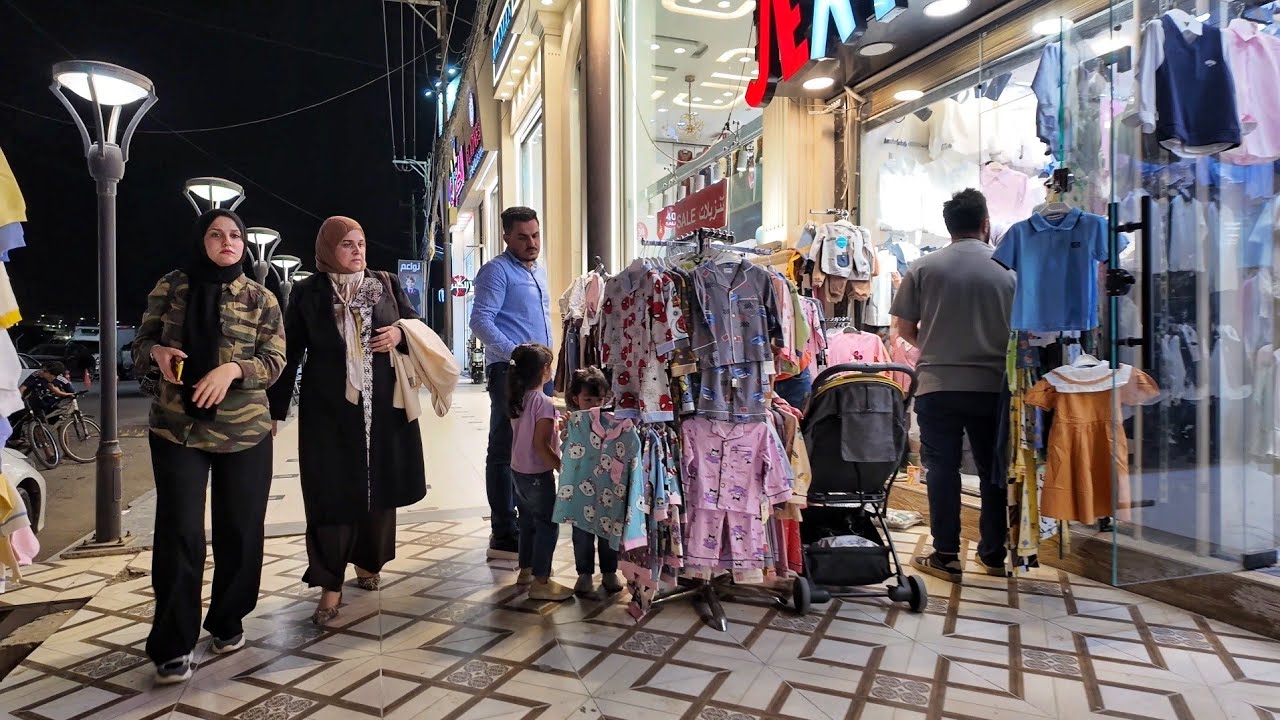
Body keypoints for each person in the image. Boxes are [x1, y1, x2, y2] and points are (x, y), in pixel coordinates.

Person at [133, 209, 285, 684]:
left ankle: (227, 618)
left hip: (245, 431)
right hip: (177, 428)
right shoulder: (172, 286)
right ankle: (173, 643)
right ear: (202, 240)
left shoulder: (260, 297)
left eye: (235, 234)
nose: (227, 241)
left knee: (240, 529)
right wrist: (157, 353)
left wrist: (233, 370)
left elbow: (276, 360)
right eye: (216, 234)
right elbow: (141, 343)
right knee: (180, 531)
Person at [267, 216, 427, 626]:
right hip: (329, 411)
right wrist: (274, 410)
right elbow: (289, 352)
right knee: (329, 491)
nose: (357, 251)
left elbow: (415, 326)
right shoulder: (309, 292)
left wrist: (400, 335)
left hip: (383, 407)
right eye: (347, 244)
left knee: (378, 488)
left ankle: (369, 560)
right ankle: (330, 582)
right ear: (327, 250)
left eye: (361, 243)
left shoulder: (384, 283)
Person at [889, 188, 1014, 583]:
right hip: (993, 386)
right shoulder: (1009, 270)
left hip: (938, 383)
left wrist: (935, 345)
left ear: (949, 227)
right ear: (985, 223)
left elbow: (903, 328)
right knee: (993, 470)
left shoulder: (924, 267)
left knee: (942, 468)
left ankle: (946, 554)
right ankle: (993, 555)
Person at [469, 207, 553, 560]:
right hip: (511, 373)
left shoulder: (538, 271)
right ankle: (504, 531)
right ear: (506, 237)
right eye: (522, 237)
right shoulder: (497, 271)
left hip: (539, 375)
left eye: (535, 235)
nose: (532, 242)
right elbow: (480, 321)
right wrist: (516, 355)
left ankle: (528, 522)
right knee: (505, 451)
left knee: (534, 448)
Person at [507, 343, 572, 601]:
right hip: (537, 474)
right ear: (545, 369)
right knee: (547, 524)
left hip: (518, 471)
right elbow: (541, 444)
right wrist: (561, 466)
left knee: (526, 521)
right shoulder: (544, 403)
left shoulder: (517, 398)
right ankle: (541, 582)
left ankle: (526, 570)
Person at [562, 367, 623, 596]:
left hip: (607, 486)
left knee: (607, 531)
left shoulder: (612, 421)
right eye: (588, 399)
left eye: (599, 399)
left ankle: (609, 571)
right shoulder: (573, 422)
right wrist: (565, 433)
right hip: (580, 488)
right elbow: (566, 452)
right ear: (575, 399)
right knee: (581, 533)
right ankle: (584, 573)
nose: (595, 405)